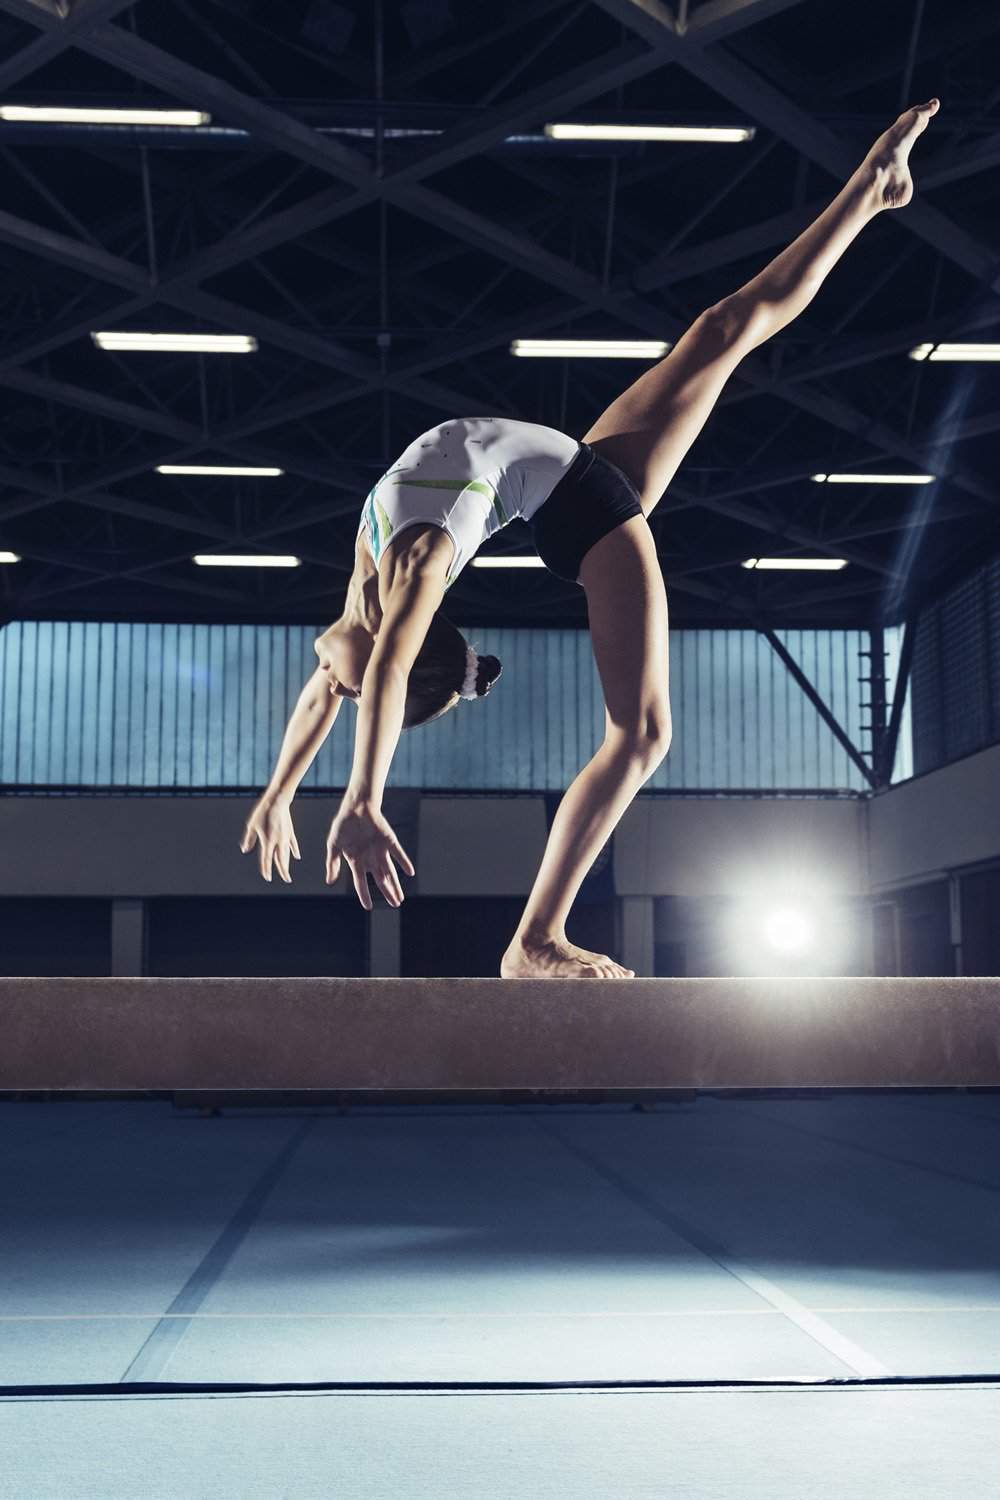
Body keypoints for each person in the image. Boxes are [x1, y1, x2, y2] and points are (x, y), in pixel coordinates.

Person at [241, 100, 940, 979]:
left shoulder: (409, 572)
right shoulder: (367, 597)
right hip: (574, 493)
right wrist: (277, 794)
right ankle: (536, 939)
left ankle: (873, 191)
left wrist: (357, 799)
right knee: (643, 735)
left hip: (571, 481)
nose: (328, 686)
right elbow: (349, 683)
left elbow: (366, 680)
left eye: (343, 684)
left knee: (726, 329)